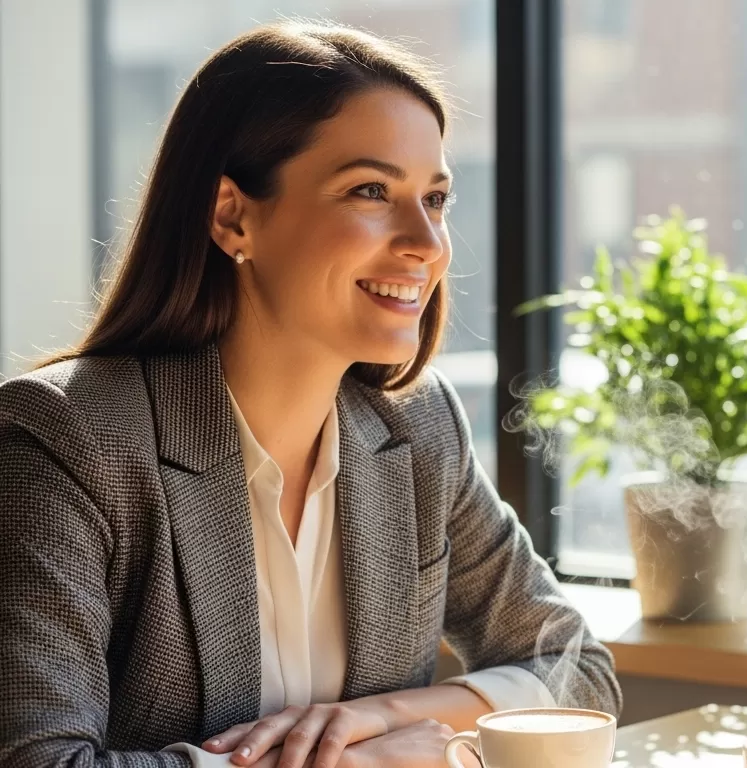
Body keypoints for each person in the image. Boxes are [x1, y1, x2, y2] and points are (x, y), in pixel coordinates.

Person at [0, 22, 619, 768]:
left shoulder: (419, 429)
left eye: (437, 198)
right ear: (233, 215)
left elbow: (578, 670)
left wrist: (381, 717)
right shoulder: (64, 439)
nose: (427, 242)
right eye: (370, 191)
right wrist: (359, 763)